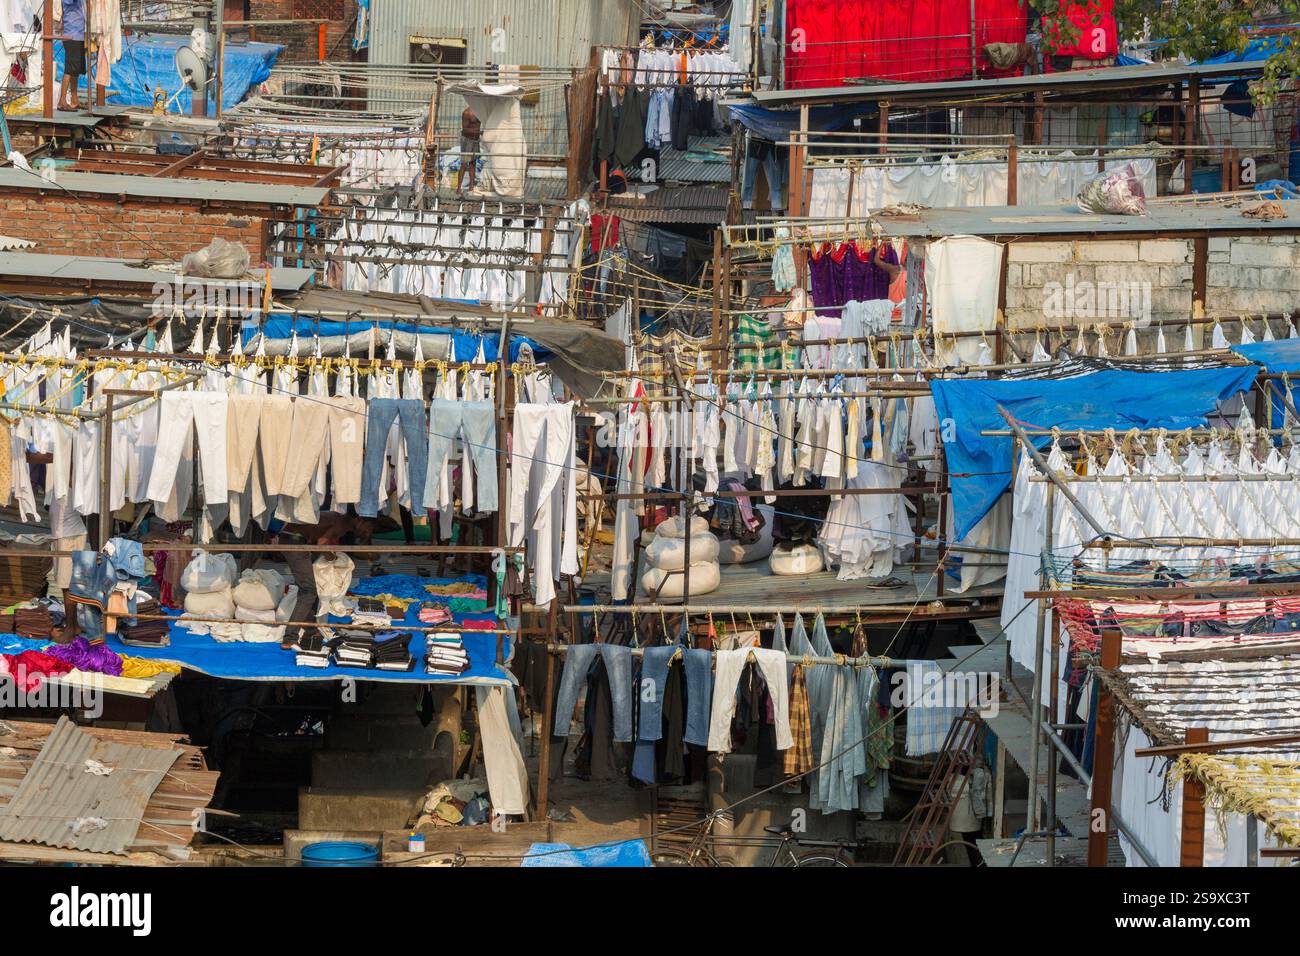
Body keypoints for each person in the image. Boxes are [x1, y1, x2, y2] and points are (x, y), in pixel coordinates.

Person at [56, 0, 87, 112]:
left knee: (75, 69)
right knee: (69, 68)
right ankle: (62, 101)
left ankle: (74, 100)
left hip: (78, 34)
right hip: (72, 35)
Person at [456, 106, 482, 192]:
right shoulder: (467, 113)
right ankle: (459, 188)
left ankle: (471, 186)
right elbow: (465, 129)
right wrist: (478, 132)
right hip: (467, 140)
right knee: (464, 164)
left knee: (473, 163)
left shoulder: (481, 111)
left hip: (475, 139)